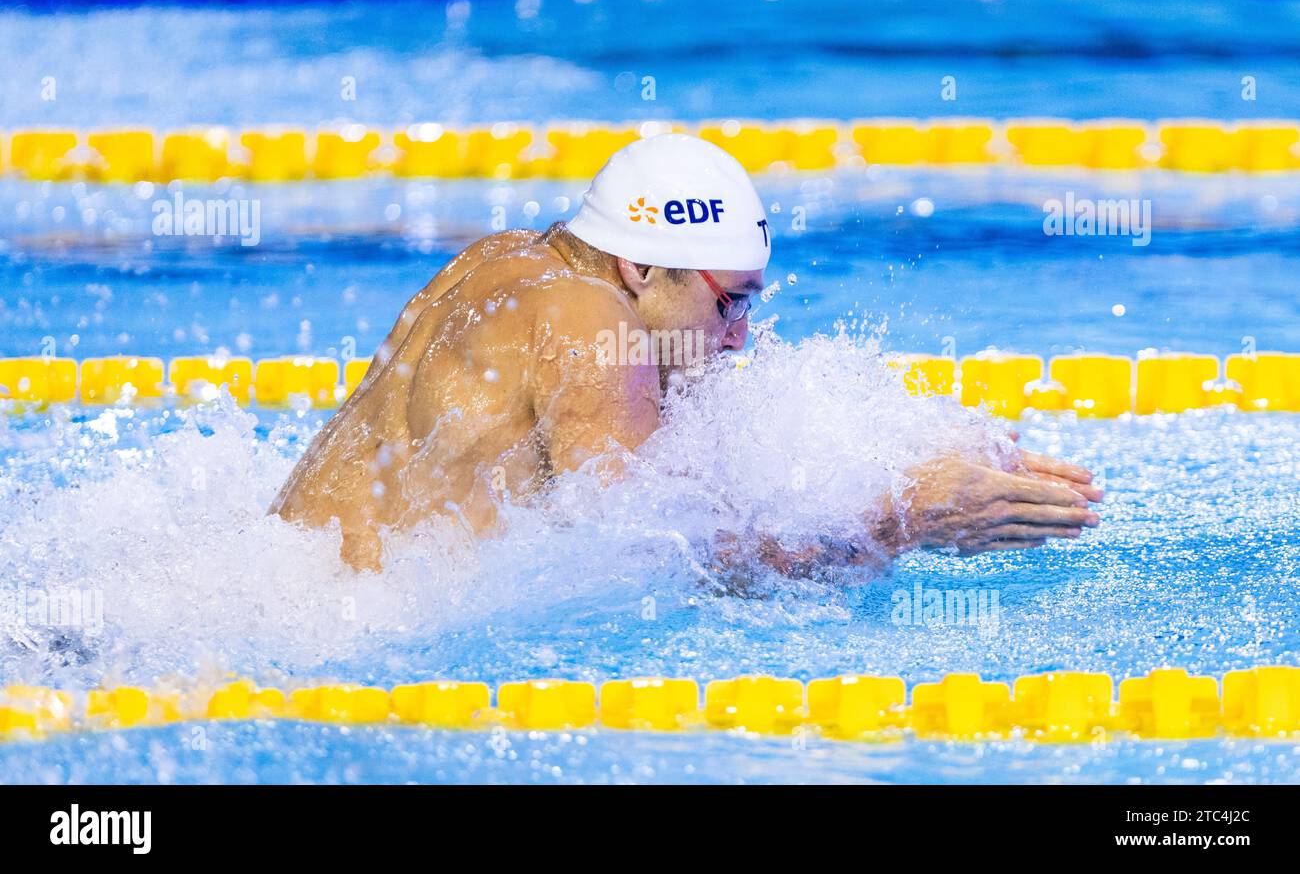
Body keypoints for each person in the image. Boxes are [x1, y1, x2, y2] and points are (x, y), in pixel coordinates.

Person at [271, 133, 1101, 573]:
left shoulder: (504, 261)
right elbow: (672, 564)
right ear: (640, 267)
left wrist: (910, 451)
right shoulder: (596, 329)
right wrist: (910, 516)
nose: (740, 333)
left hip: (284, 577)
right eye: (727, 299)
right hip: (348, 637)